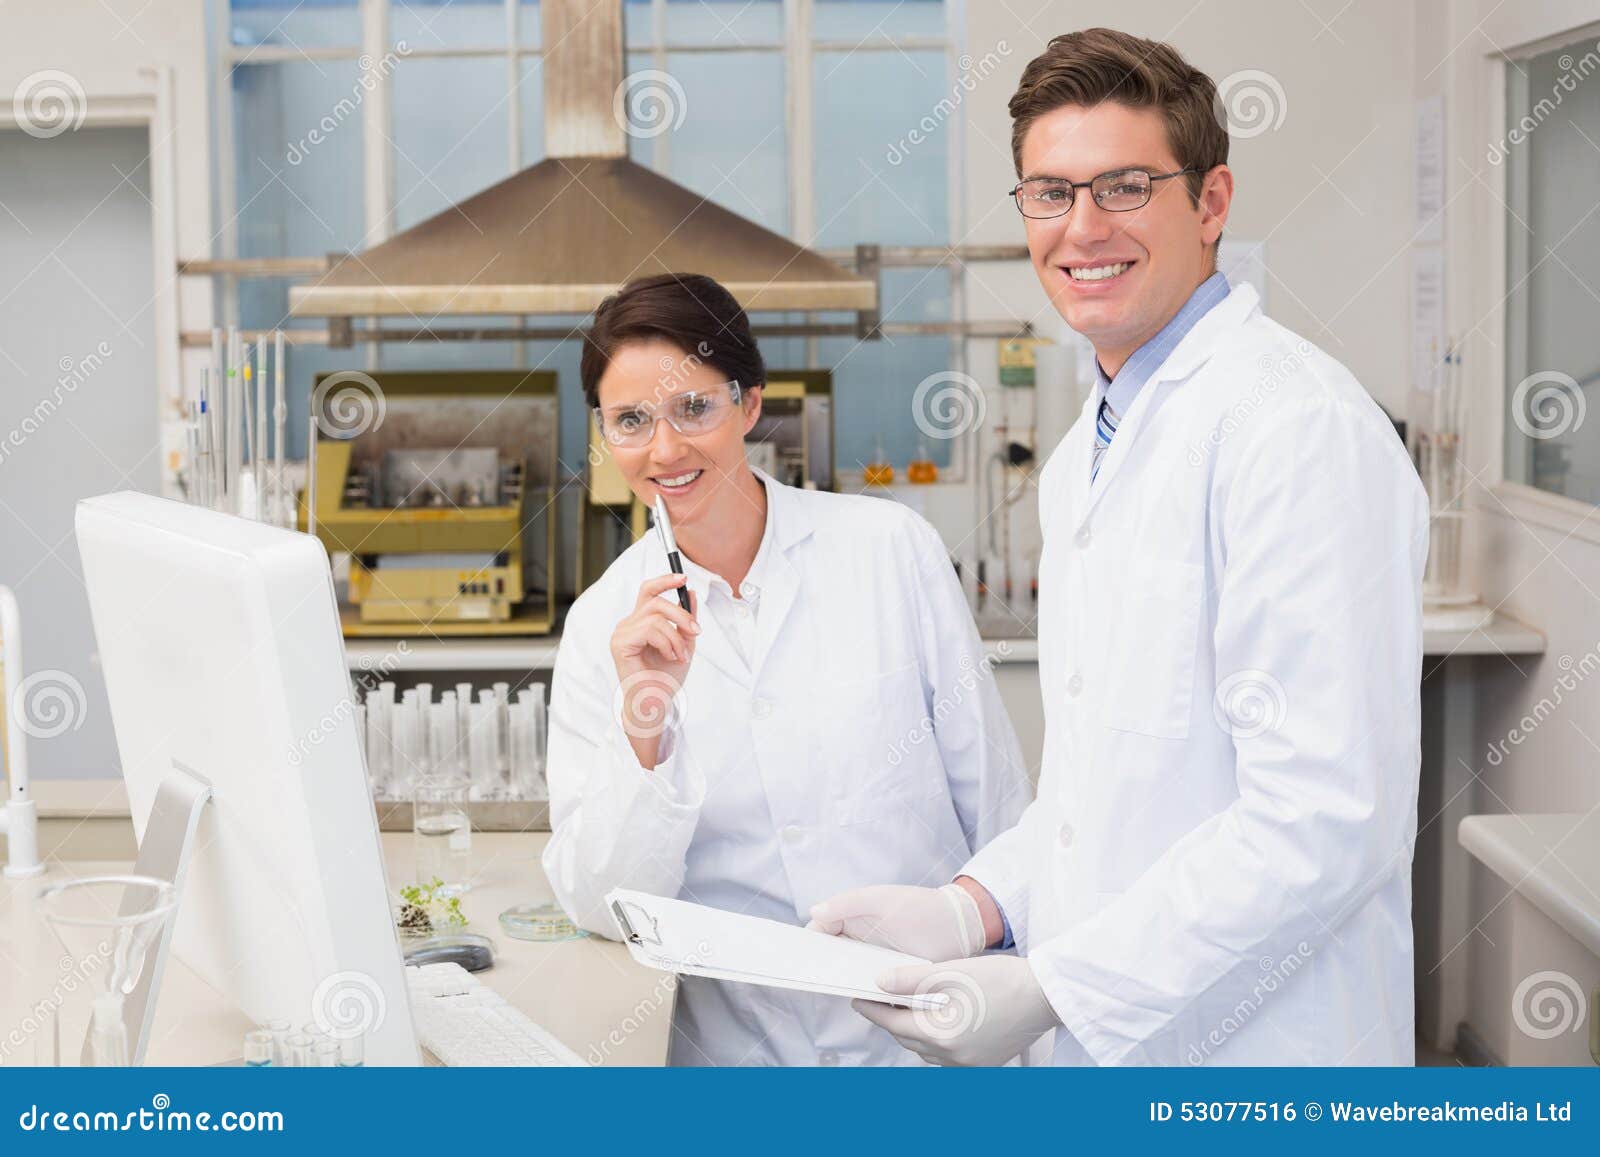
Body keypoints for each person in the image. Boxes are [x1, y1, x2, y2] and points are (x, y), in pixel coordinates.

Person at [812, 27, 1429, 1067]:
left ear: (1212, 201)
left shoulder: (1293, 427)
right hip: (1119, 1053)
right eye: (1049, 193)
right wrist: (973, 907)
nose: (1081, 227)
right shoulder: (1085, 452)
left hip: (1264, 1055)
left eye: (1124, 186)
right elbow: (1102, 795)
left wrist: (1056, 983)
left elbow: (1325, 818)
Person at [542, 272, 1030, 1067]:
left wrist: (1020, 1015)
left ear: (751, 403)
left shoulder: (888, 550)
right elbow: (603, 905)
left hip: (931, 1046)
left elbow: (1001, 810)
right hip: (742, 1061)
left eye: (694, 408)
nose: (664, 449)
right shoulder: (605, 625)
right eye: (631, 420)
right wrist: (645, 719)